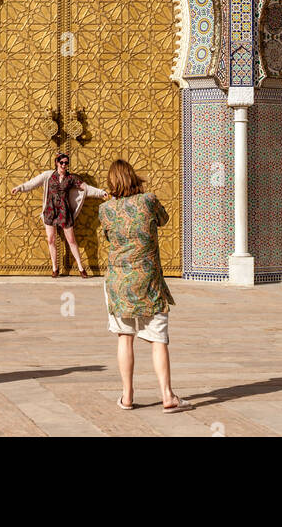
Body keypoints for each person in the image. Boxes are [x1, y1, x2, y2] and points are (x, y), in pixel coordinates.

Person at [99, 158, 187, 413]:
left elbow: (107, 235)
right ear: (133, 177)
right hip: (149, 282)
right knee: (158, 340)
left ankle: (127, 396)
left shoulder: (105, 209)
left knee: (124, 338)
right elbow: (164, 219)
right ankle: (167, 396)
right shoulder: (149, 200)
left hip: (118, 283)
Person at [11, 152, 107, 277]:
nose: (64, 165)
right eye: (62, 162)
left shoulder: (71, 178)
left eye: (66, 163)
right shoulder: (48, 175)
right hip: (50, 211)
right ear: (57, 162)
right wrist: (20, 188)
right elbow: (33, 182)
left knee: (71, 240)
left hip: (64, 212)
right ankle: (55, 268)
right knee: (51, 239)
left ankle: (81, 268)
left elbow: (86, 188)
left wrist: (101, 192)